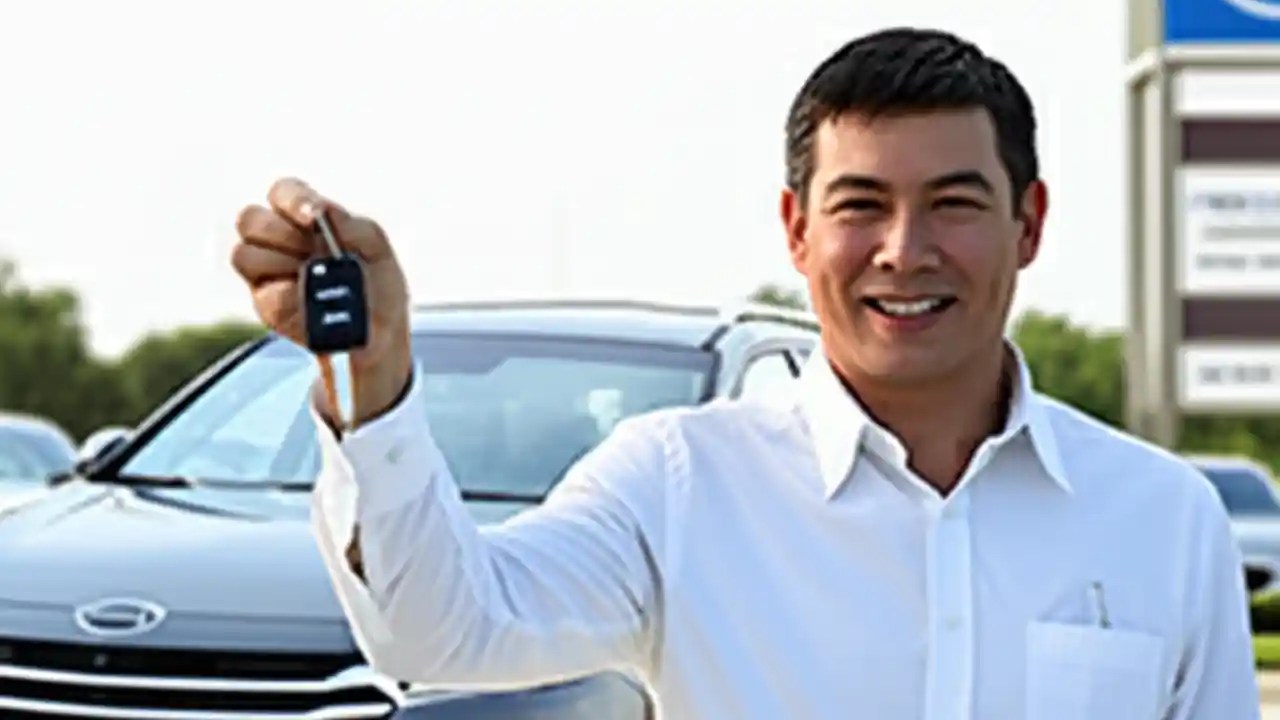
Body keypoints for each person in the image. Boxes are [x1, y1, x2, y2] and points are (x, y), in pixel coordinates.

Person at [230, 27, 1260, 720]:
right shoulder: (676, 486)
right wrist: (370, 381)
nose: (904, 250)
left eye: (952, 202)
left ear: (1026, 223)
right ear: (796, 230)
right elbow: (436, 632)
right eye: (859, 206)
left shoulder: (1160, 517)